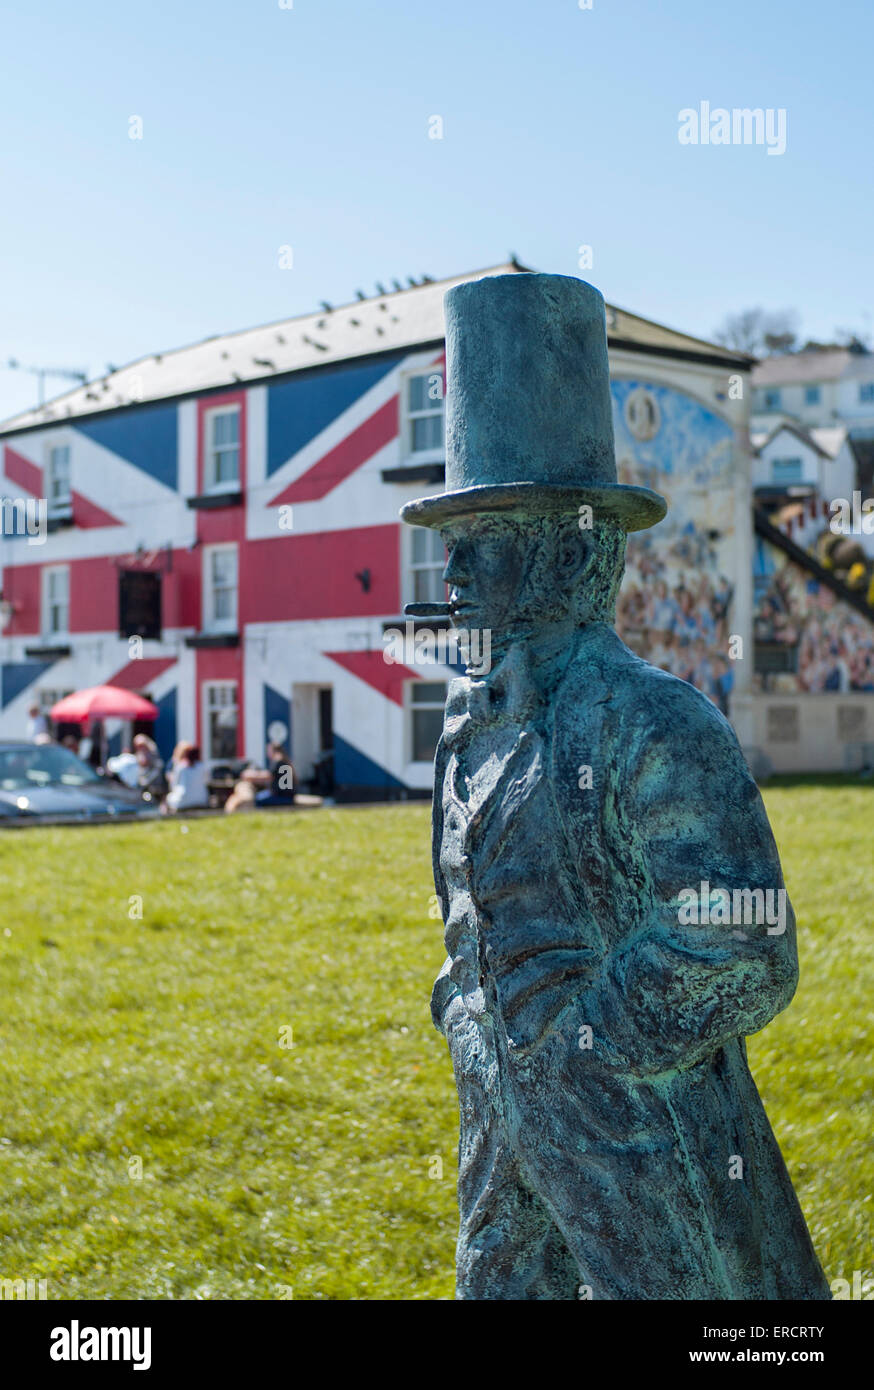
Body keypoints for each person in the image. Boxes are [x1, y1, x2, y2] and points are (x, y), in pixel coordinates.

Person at [403, 272, 829, 1301]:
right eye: (450, 535)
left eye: (483, 534)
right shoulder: (467, 727)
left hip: (640, 1143)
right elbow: (470, 922)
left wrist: (585, 1043)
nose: (450, 564)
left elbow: (743, 936)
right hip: (500, 1137)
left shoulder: (651, 718)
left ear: (563, 549)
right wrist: (465, 1016)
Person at [163, 742, 208, 813]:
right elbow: (206, 781)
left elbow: (173, 786)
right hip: (202, 799)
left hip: (183, 800)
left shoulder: (180, 767)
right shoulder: (201, 766)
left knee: (168, 798)